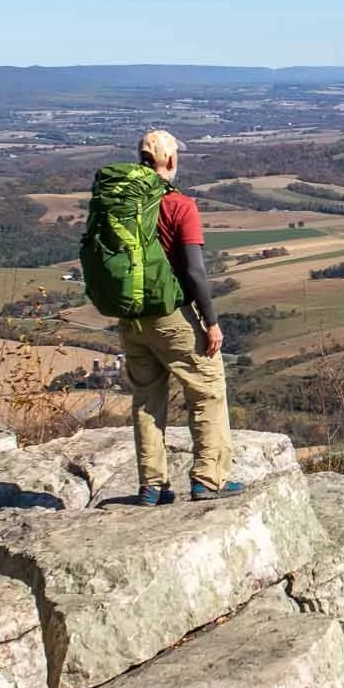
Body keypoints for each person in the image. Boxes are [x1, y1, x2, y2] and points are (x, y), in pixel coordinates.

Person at [113, 129, 238, 504]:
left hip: (132, 318)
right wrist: (211, 321)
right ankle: (208, 479)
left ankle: (152, 486)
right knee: (207, 390)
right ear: (170, 160)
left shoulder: (121, 203)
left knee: (147, 400)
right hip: (171, 315)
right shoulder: (179, 205)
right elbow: (195, 272)